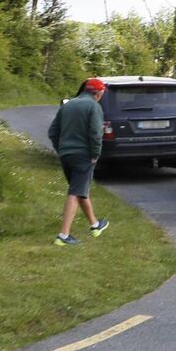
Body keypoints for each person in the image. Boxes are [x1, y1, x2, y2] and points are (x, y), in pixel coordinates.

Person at [47, 78, 110, 246]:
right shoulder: (94, 107)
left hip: (66, 154)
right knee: (75, 193)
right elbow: (96, 133)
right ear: (98, 93)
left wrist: (60, 149)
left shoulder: (68, 105)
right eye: (102, 93)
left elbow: (52, 131)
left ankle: (95, 225)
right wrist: (95, 154)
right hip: (83, 155)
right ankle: (63, 235)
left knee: (80, 189)